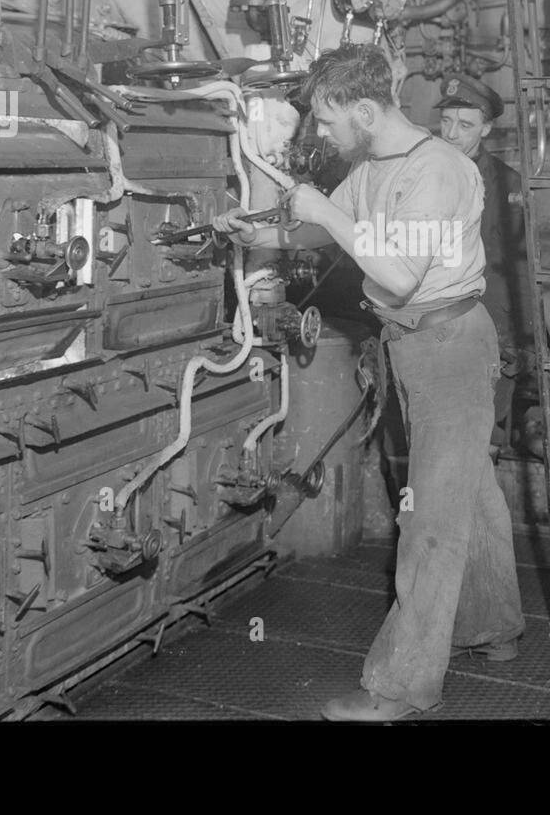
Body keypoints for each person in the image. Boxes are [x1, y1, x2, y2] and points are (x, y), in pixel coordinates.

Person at [215, 44, 524, 721]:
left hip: (448, 344)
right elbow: (321, 231)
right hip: (412, 344)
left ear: (363, 110)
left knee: (431, 522)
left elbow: (395, 275)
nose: (321, 135)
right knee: (469, 495)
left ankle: (400, 689)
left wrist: (324, 213)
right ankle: (493, 628)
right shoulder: (375, 166)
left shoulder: (439, 171)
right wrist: (257, 230)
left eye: (327, 122)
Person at [435, 73, 535, 439]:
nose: (452, 133)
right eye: (446, 122)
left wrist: (523, 340)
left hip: (488, 331)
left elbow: (519, 265)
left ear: (487, 128)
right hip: (431, 329)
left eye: (465, 124)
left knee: (480, 440)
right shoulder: (420, 175)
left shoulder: (508, 186)